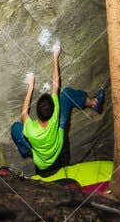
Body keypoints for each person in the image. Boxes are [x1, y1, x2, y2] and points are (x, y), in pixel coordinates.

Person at [9, 42, 105, 179]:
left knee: (16, 128)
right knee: (66, 94)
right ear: (54, 108)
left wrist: (30, 86)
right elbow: (55, 85)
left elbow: (24, 113)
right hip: (57, 148)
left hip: (41, 162)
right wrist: (55, 57)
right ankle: (92, 103)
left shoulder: (31, 130)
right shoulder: (55, 115)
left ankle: (26, 150)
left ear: (37, 112)